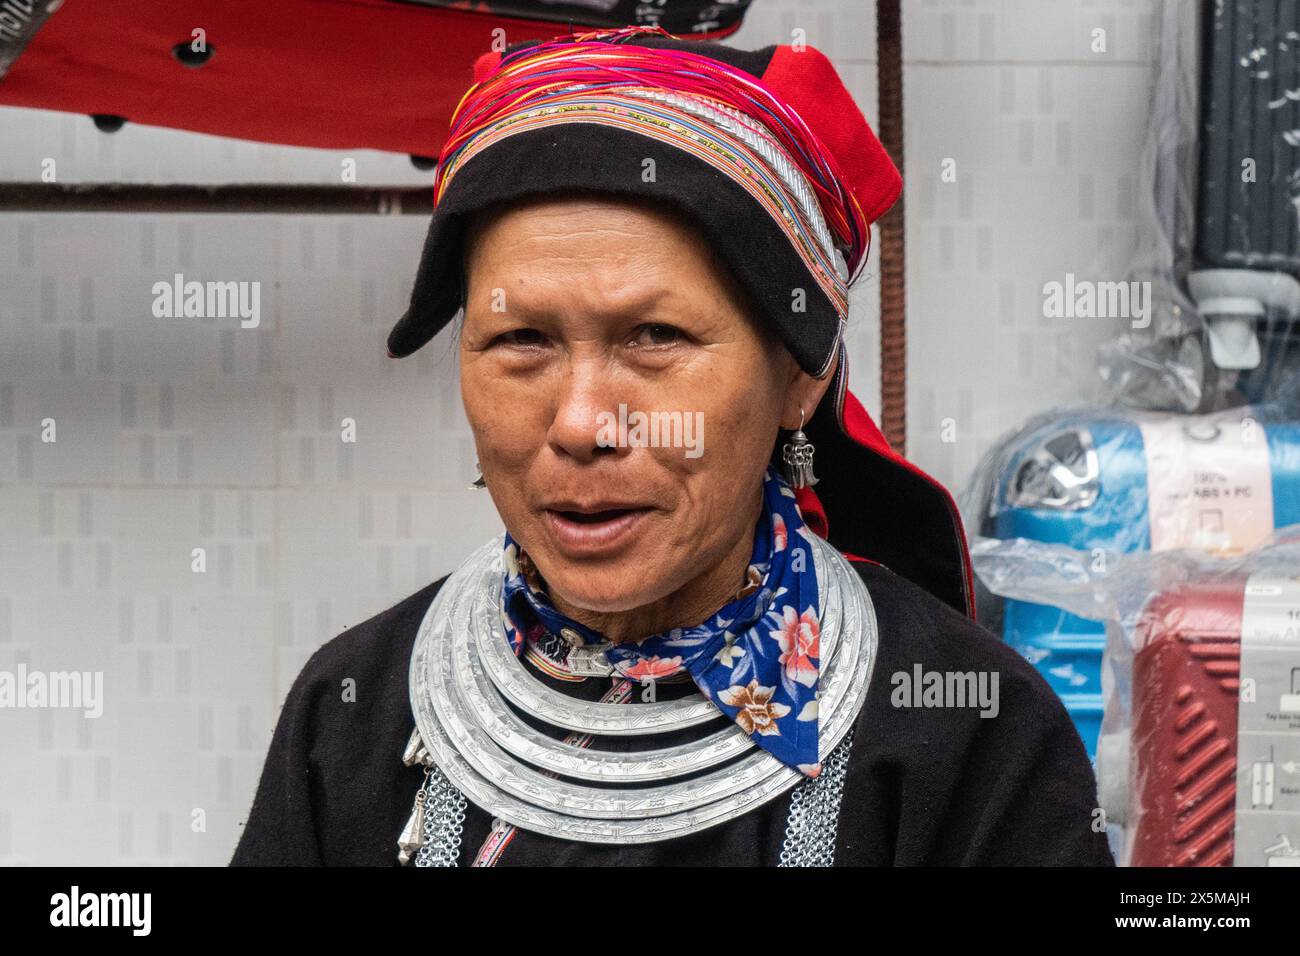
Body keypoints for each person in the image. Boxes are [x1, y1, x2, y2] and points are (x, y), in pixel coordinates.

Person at [230, 26, 1115, 867]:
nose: (580, 424)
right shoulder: (350, 715)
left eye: (654, 337)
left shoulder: (968, 737)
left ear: (800, 374)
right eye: (521, 341)